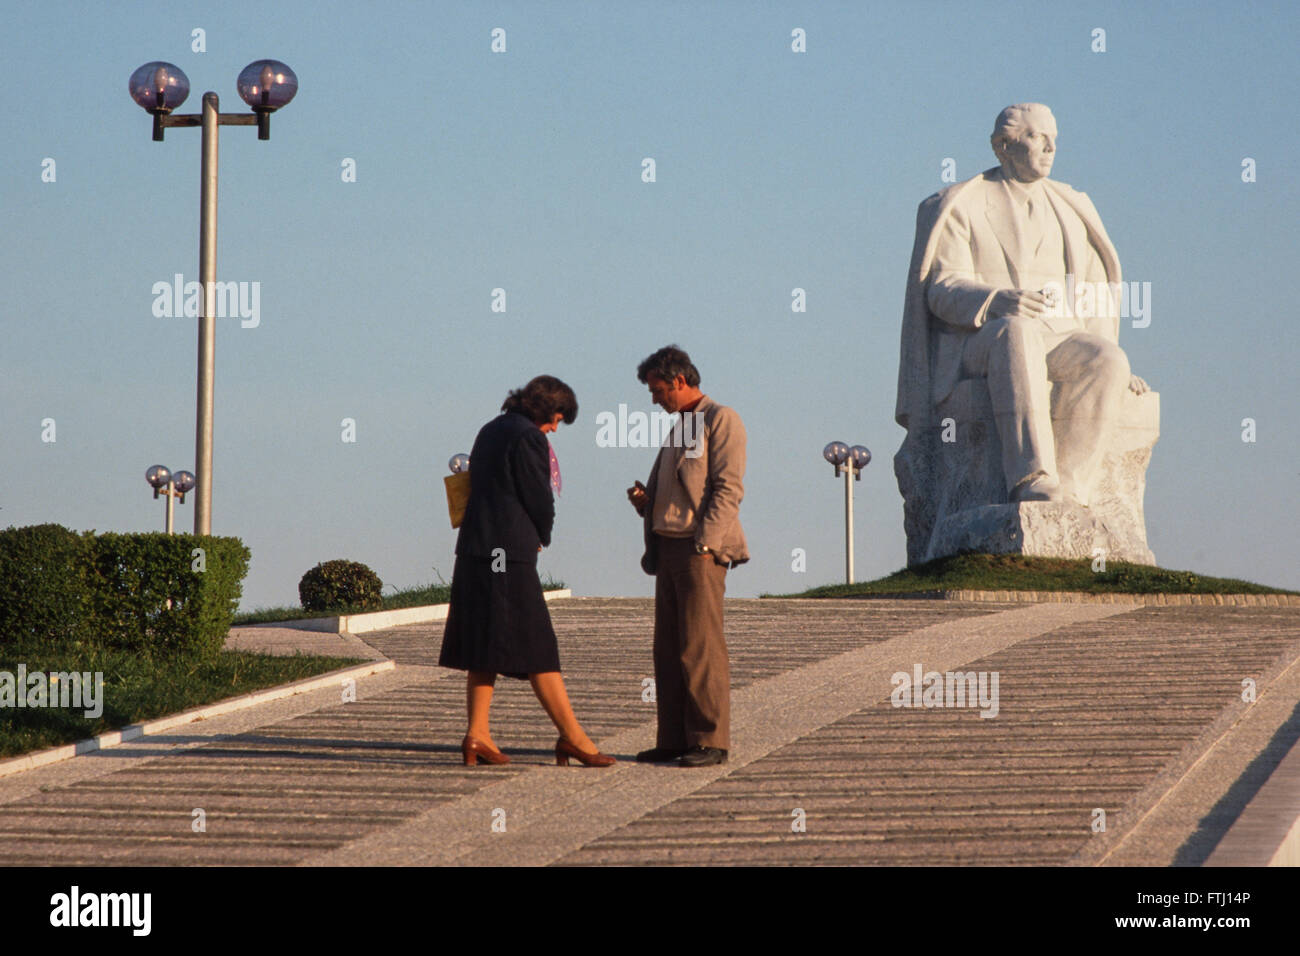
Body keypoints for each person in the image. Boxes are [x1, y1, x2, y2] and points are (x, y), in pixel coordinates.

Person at [896, 102, 1150, 507]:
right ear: (1003, 147)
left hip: (1060, 335)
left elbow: (1092, 292)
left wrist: (1119, 361)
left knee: (1108, 360)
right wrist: (994, 300)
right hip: (981, 341)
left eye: (1054, 139)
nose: (1049, 147)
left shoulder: (1071, 207)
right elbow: (941, 287)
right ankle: (1031, 475)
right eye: (1036, 137)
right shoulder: (962, 204)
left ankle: (1070, 489)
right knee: (1017, 334)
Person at [439, 375, 614, 768]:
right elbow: (538, 496)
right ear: (544, 409)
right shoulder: (528, 438)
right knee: (538, 646)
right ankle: (574, 738)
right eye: (556, 418)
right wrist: (543, 535)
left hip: (475, 550)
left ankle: (477, 735)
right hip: (509, 554)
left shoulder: (490, 430)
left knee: (483, 647)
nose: (555, 428)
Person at [626, 346, 747, 768]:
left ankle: (710, 740)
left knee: (700, 647)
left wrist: (707, 543)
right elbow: (682, 490)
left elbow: (728, 489)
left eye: (658, 390)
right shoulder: (680, 427)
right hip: (668, 548)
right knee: (668, 648)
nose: (655, 399)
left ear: (679, 381)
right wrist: (647, 502)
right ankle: (675, 738)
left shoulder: (720, 419)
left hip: (699, 550)